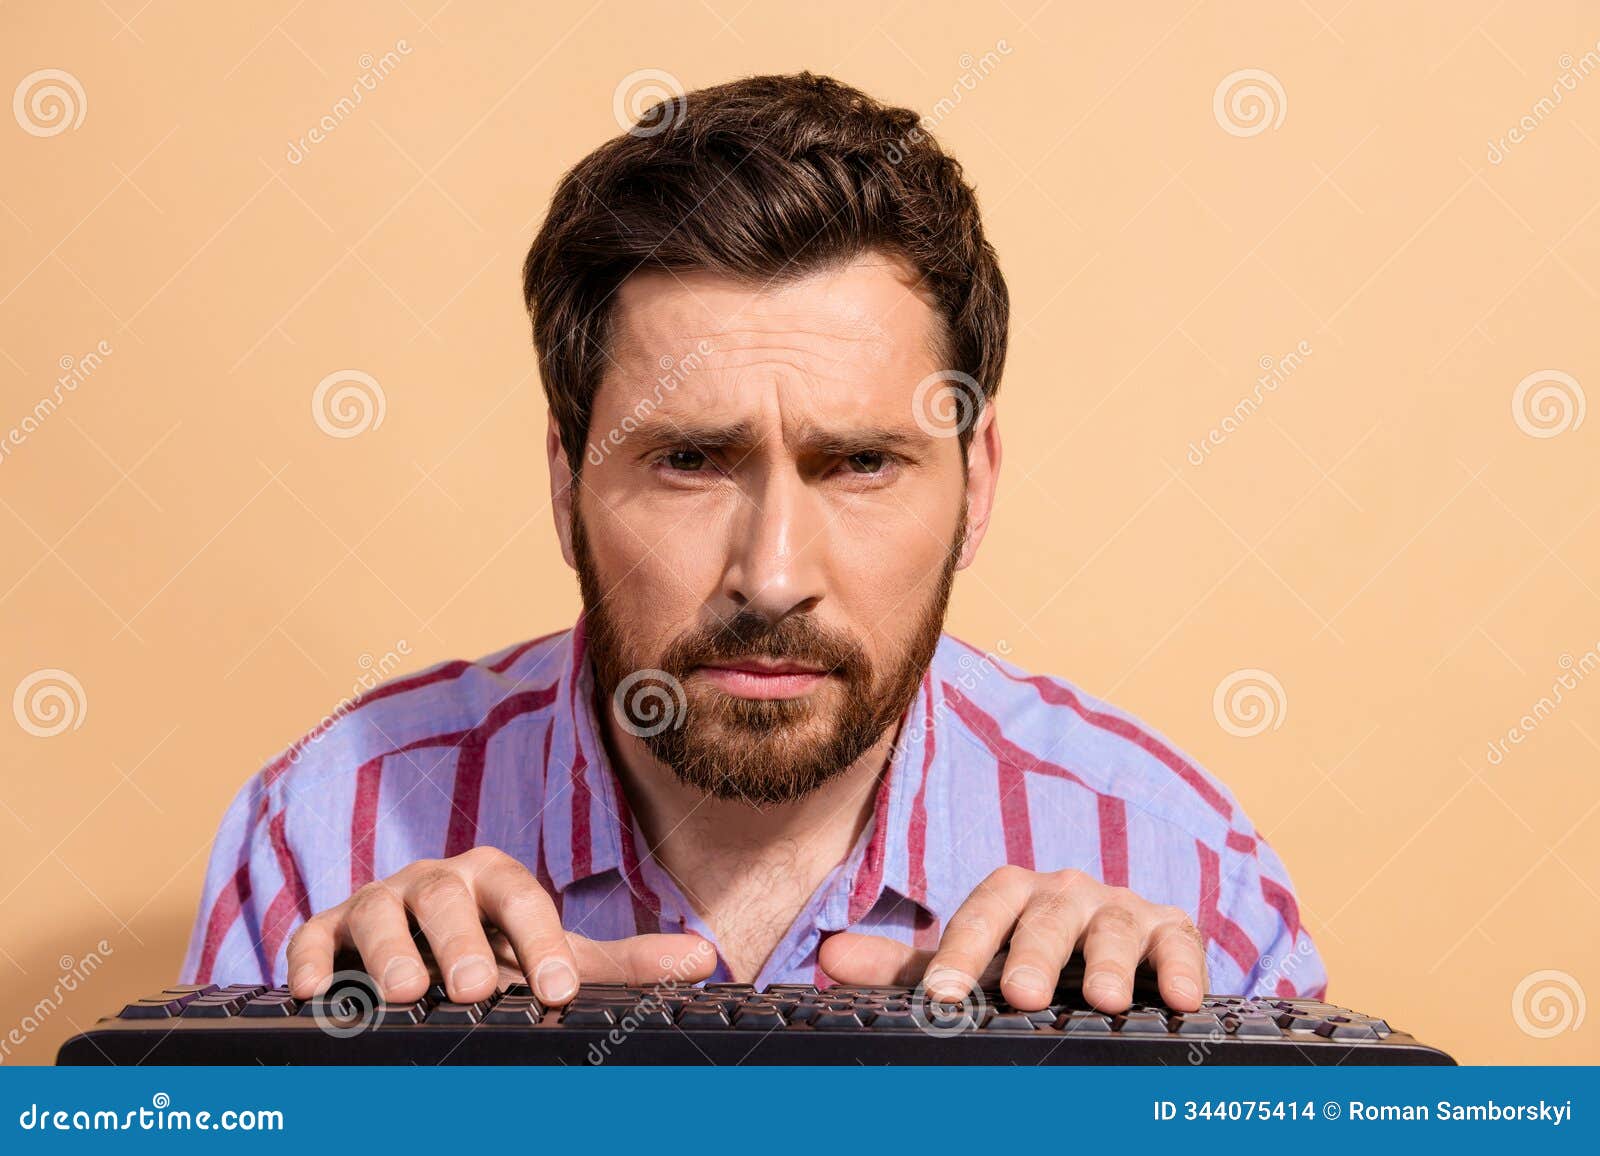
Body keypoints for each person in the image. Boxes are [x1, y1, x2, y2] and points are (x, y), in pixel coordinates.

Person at [183, 73, 1326, 1018]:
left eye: (862, 464)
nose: (773, 574)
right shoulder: (316, 843)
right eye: (688, 461)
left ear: (974, 485)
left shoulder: (1189, 873)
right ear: (563, 477)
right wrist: (359, 1087)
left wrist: (1135, 1097)